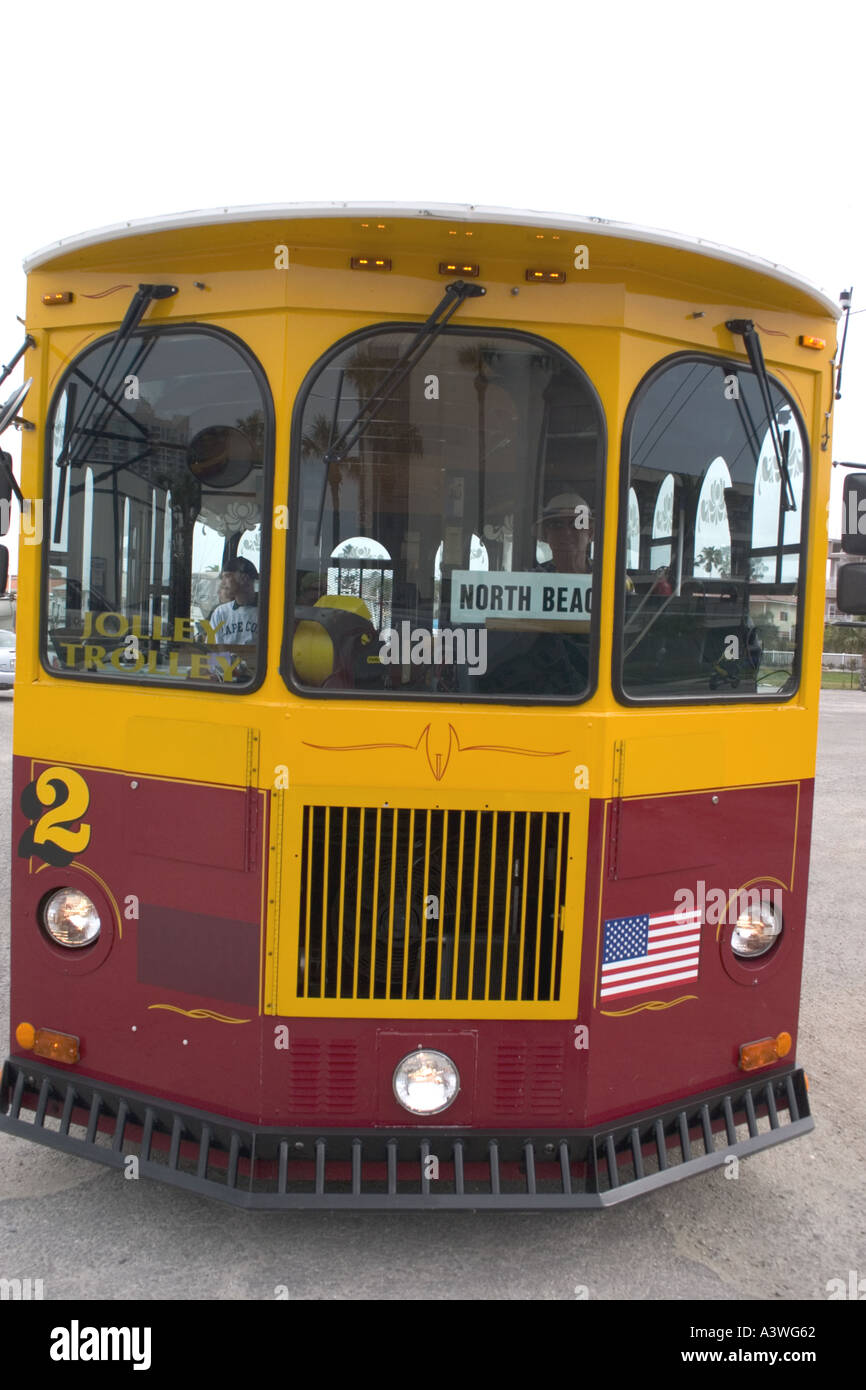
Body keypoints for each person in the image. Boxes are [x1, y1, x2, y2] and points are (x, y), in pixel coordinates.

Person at [206, 556, 259, 680]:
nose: (223, 583)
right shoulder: (220, 613)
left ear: (244, 578)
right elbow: (212, 654)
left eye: (228, 576)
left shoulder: (267, 612)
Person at [533, 493, 593, 574]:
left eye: (576, 524)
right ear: (546, 533)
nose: (567, 532)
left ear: (590, 533)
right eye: (557, 525)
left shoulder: (606, 574)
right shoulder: (534, 578)